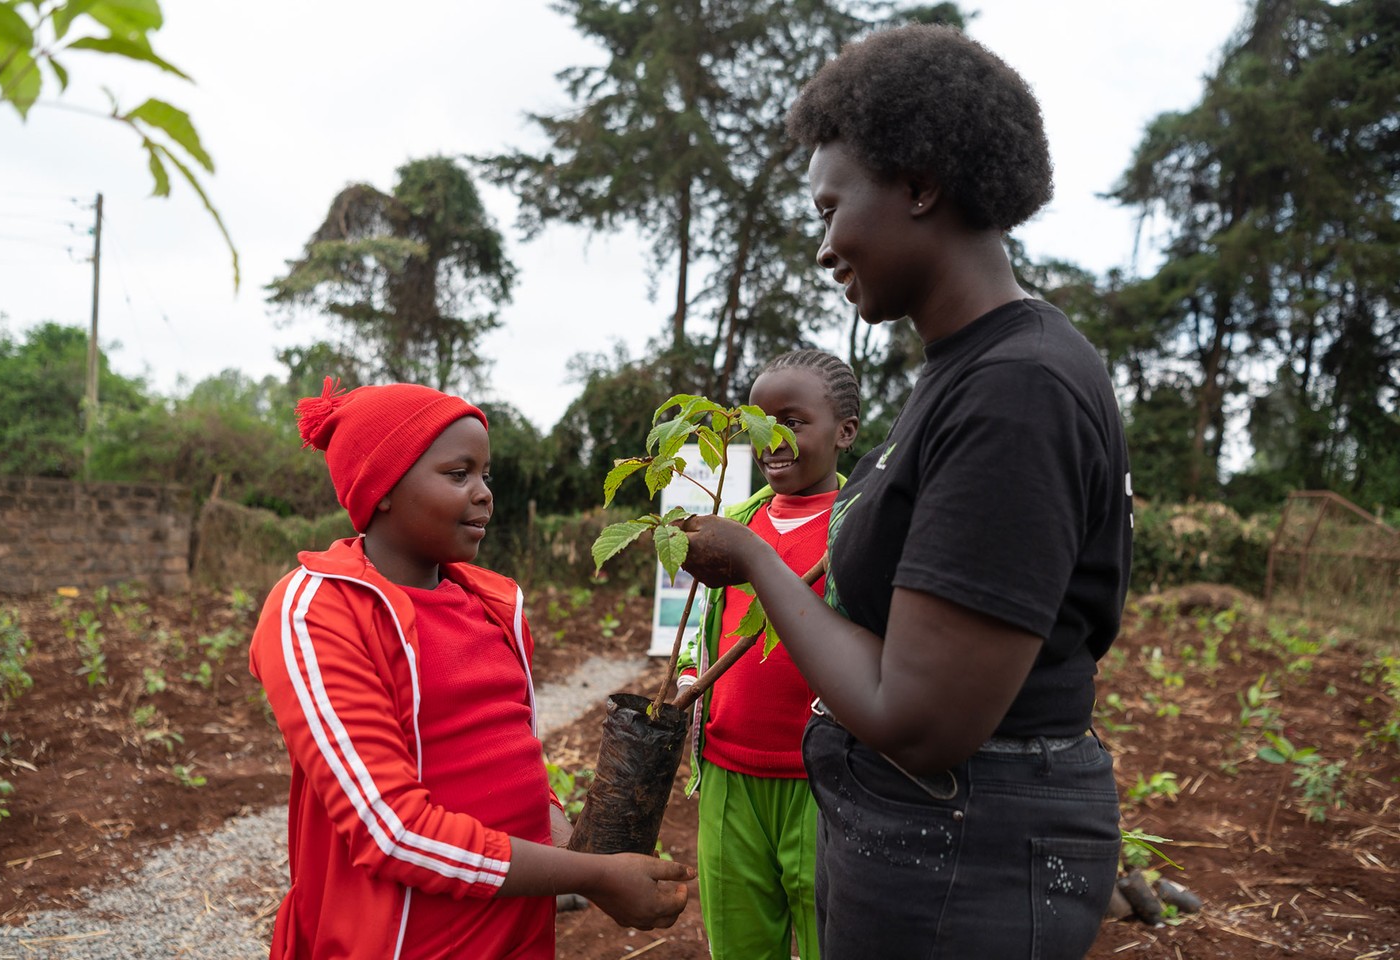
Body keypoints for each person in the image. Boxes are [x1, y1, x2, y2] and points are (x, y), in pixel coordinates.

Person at [676, 23, 1133, 960]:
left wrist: (755, 555)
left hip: (962, 859)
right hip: (942, 852)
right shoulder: (969, 373)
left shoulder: (1017, 390)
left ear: (921, 185)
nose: (823, 246)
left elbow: (916, 721)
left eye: (829, 206)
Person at [249, 378, 691, 960]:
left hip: (517, 940)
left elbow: (512, 769)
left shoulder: (494, 605)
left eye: (486, 475)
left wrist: (591, 860)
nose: (484, 494)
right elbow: (394, 832)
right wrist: (589, 878)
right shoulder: (319, 609)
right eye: (459, 475)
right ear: (383, 488)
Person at [674, 349, 859, 960]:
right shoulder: (734, 526)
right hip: (728, 773)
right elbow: (707, 628)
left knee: (829, 934)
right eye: (758, 424)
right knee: (739, 939)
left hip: (824, 781)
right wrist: (689, 679)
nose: (773, 440)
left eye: (794, 422)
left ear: (846, 432)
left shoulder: (859, 532)